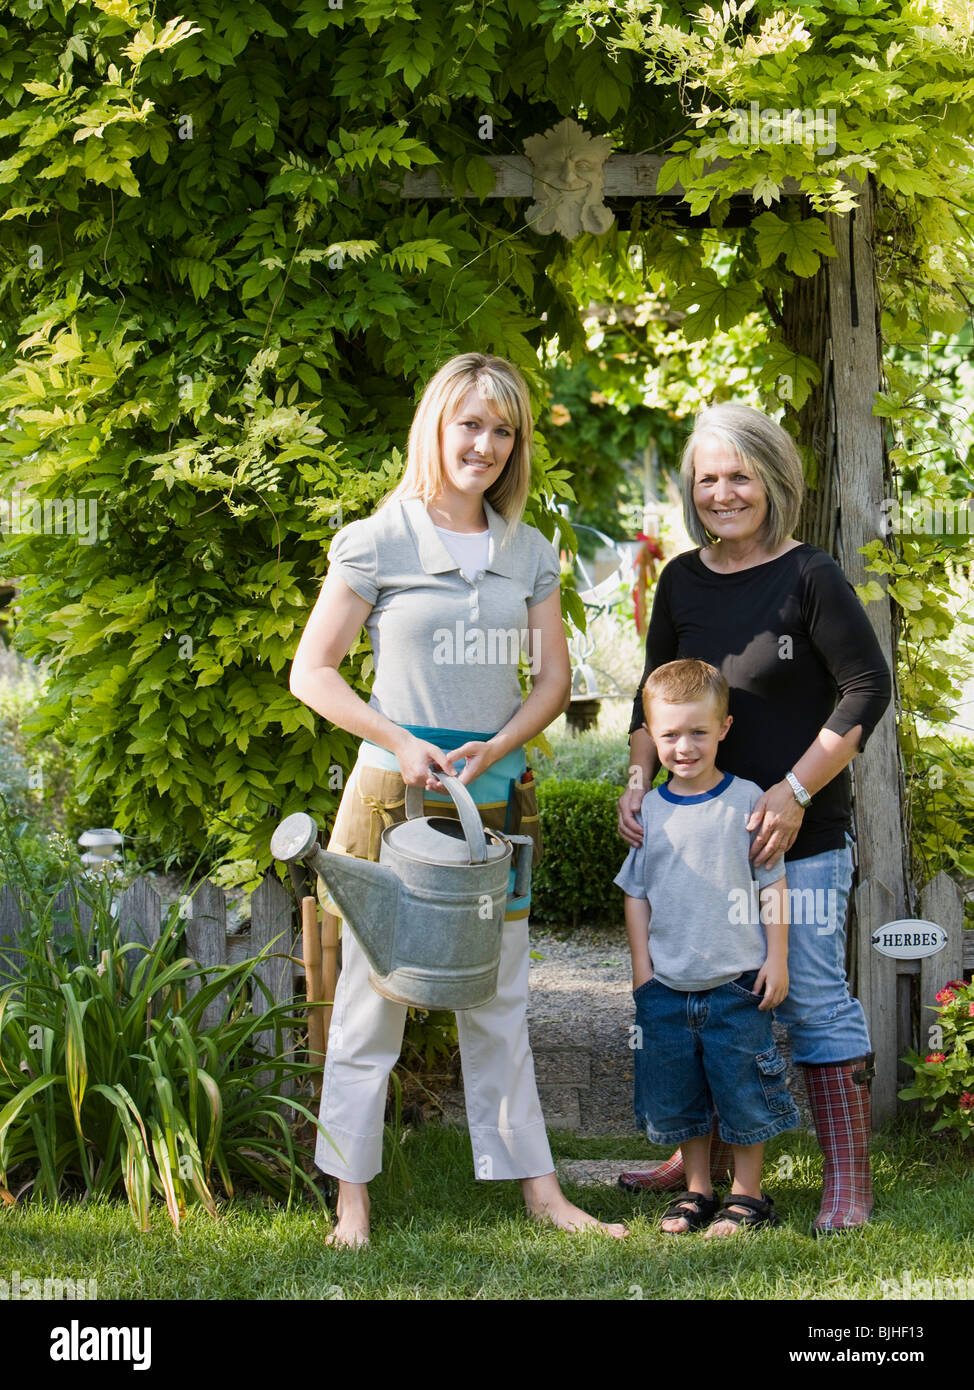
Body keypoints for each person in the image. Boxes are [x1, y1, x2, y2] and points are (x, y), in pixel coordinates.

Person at [289, 351, 628, 1247]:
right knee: (372, 1003)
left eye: (502, 430)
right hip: (393, 799)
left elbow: (552, 681)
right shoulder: (377, 540)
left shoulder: (528, 554)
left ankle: (543, 1194)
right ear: (436, 429)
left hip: (497, 798)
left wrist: (500, 747)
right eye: (469, 424)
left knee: (498, 998)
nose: (484, 444)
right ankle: (350, 1203)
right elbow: (312, 672)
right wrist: (399, 740)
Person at [617, 403, 892, 1235]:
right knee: (694, 999)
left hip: (795, 840)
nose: (724, 493)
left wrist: (796, 789)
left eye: (740, 476)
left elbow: (866, 689)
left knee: (806, 994)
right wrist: (636, 779)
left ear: (772, 481)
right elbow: (649, 698)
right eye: (709, 479)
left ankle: (848, 1180)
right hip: (695, 849)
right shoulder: (681, 582)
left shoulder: (810, 576)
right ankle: (690, 1159)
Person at [617, 658, 800, 1236]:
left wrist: (776, 959)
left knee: (745, 1088)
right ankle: (697, 1190)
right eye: (669, 735)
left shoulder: (746, 802)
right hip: (666, 988)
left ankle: (749, 1196)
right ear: (651, 736)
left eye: (699, 732)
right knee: (680, 1096)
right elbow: (636, 894)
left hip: (736, 984)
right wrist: (642, 972)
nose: (685, 746)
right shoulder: (649, 810)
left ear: (724, 728)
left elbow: (772, 886)